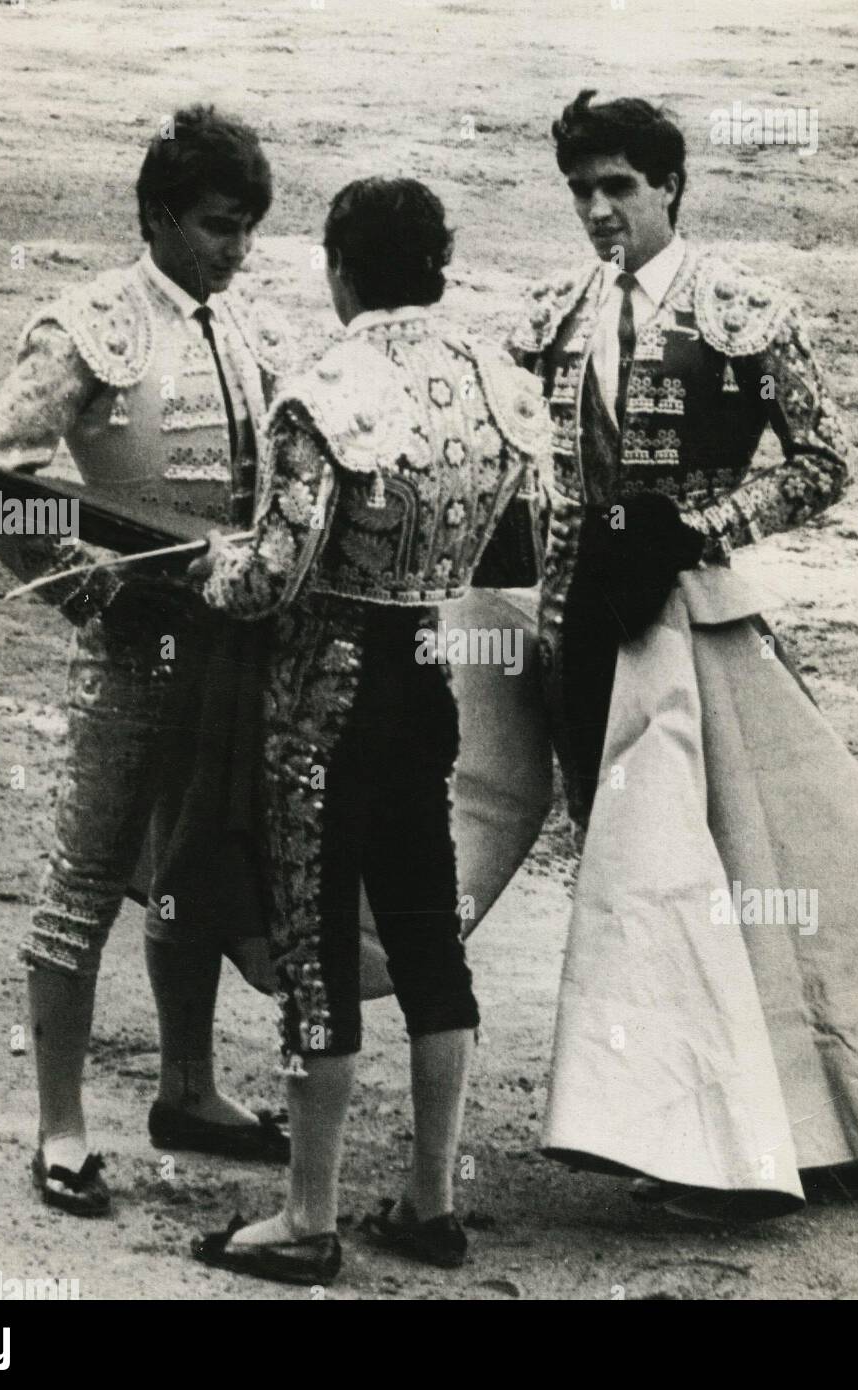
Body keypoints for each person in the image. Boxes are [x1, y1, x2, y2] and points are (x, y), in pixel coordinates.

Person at [509, 90, 858, 1220]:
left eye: (619, 189)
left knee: (723, 872)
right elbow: (526, 478)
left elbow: (823, 464)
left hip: (693, 624)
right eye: (581, 192)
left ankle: (741, 1135)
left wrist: (702, 528)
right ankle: (688, 1118)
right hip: (581, 624)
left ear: (669, 187)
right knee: (633, 876)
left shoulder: (743, 311)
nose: (598, 212)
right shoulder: (550, 312)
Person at [187, 177, 550, 1283]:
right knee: (426, 932)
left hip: (325, 699)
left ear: (339, 268)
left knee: (314, 955)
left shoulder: (325, 391)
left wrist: (214, 569)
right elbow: (521, 551)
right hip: (426, 677)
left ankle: (307, 1218)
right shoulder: (500, 381)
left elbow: (271, 581)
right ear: (435, 264)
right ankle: (432, 1203)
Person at [0, 105, 293, 1217]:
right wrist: (79, 586)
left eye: (245, 227)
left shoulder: (249, 327)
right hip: (134, 645)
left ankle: (187, 1088)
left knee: (196, 864)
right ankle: (60, 1129)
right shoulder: (92, 322)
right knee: (87, 873)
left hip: (234, 644)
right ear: (156, 216)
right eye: (214, 225)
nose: (234, 249)